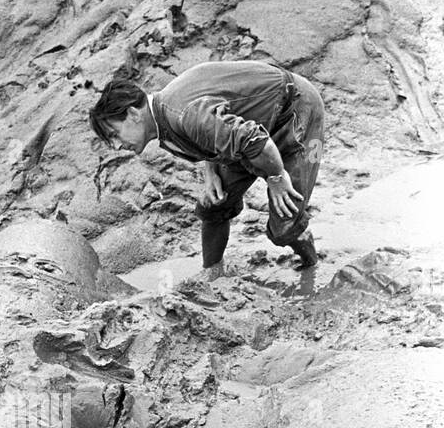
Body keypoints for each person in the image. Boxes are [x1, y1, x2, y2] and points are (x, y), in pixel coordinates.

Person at [89, 60, 325, 273]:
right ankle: (212, 274)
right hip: (252, 132)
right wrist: (210, 170)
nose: (118, 146)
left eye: (115, 134)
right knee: (213, 206)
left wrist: (276, 176)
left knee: (285, 224)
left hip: (295, 112)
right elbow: (214, 130)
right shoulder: (165, 116)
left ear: (132, 114)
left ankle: (311, 268)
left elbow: (255, 141)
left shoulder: (182, 114)